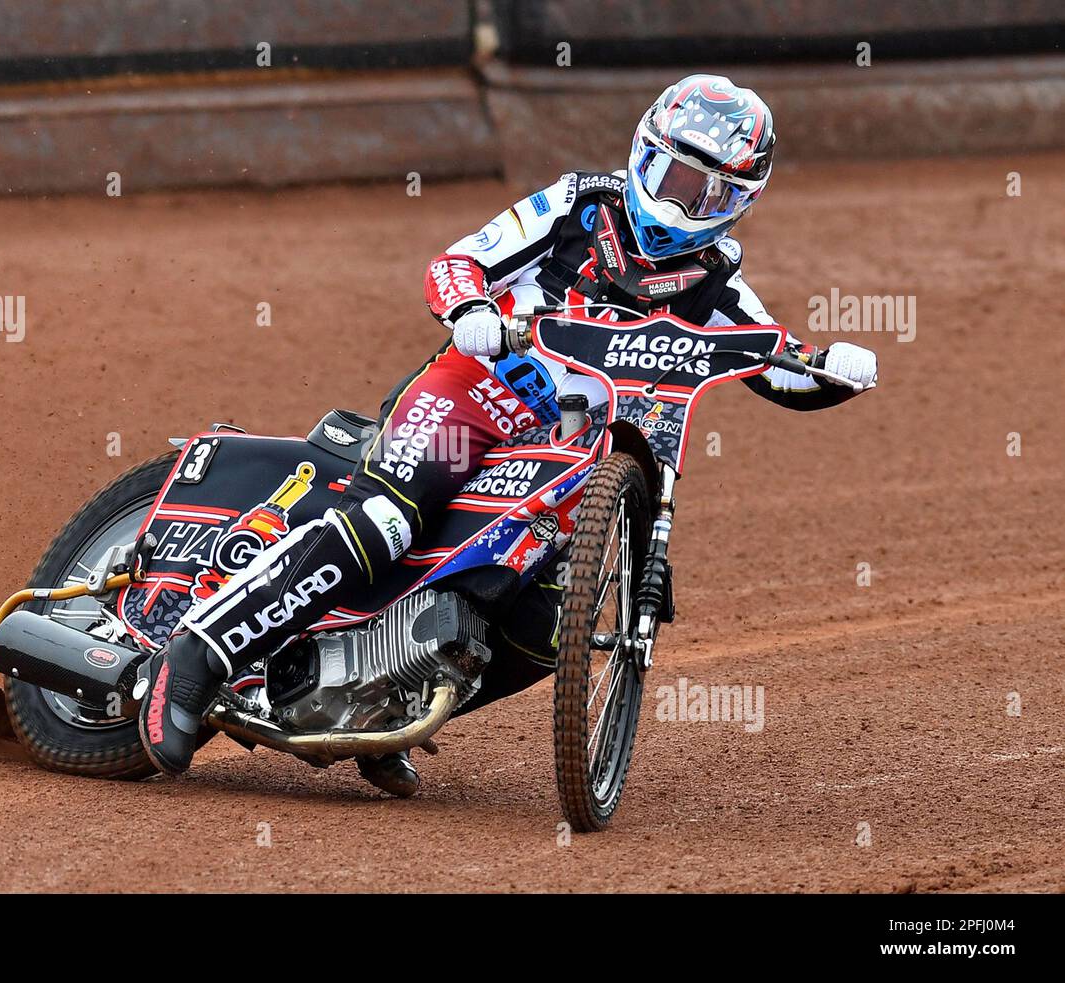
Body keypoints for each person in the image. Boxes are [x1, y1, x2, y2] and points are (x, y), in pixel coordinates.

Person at [137, 74, 879, 794]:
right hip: (475, 391)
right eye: (674, 172)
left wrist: (833, 366)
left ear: (738, 203)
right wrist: (470, 311)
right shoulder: (580, 203)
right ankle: (196, 652)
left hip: (561, 448)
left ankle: (382, 707)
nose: (682, 197)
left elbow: (778, 362)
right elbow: (458, 261)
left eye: (708, 190)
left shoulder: (719, 281)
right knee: (393, 514)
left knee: (548, 624)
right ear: (643, 151)